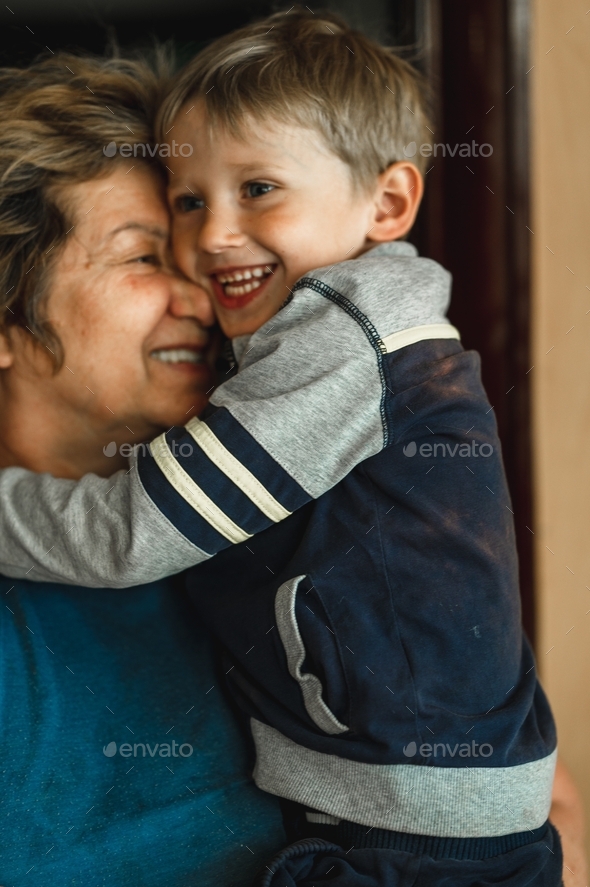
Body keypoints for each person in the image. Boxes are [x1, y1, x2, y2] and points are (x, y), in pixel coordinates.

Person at [0, 11, 583, 885]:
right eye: (153, 249)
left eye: (260, 194)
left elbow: (550, 814)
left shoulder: (304, 482)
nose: (208, 270)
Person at [0, 51, 285, 884]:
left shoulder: (295, 520)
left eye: (204, 256)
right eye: (146, 257)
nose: (205, 297)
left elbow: (514, 777)